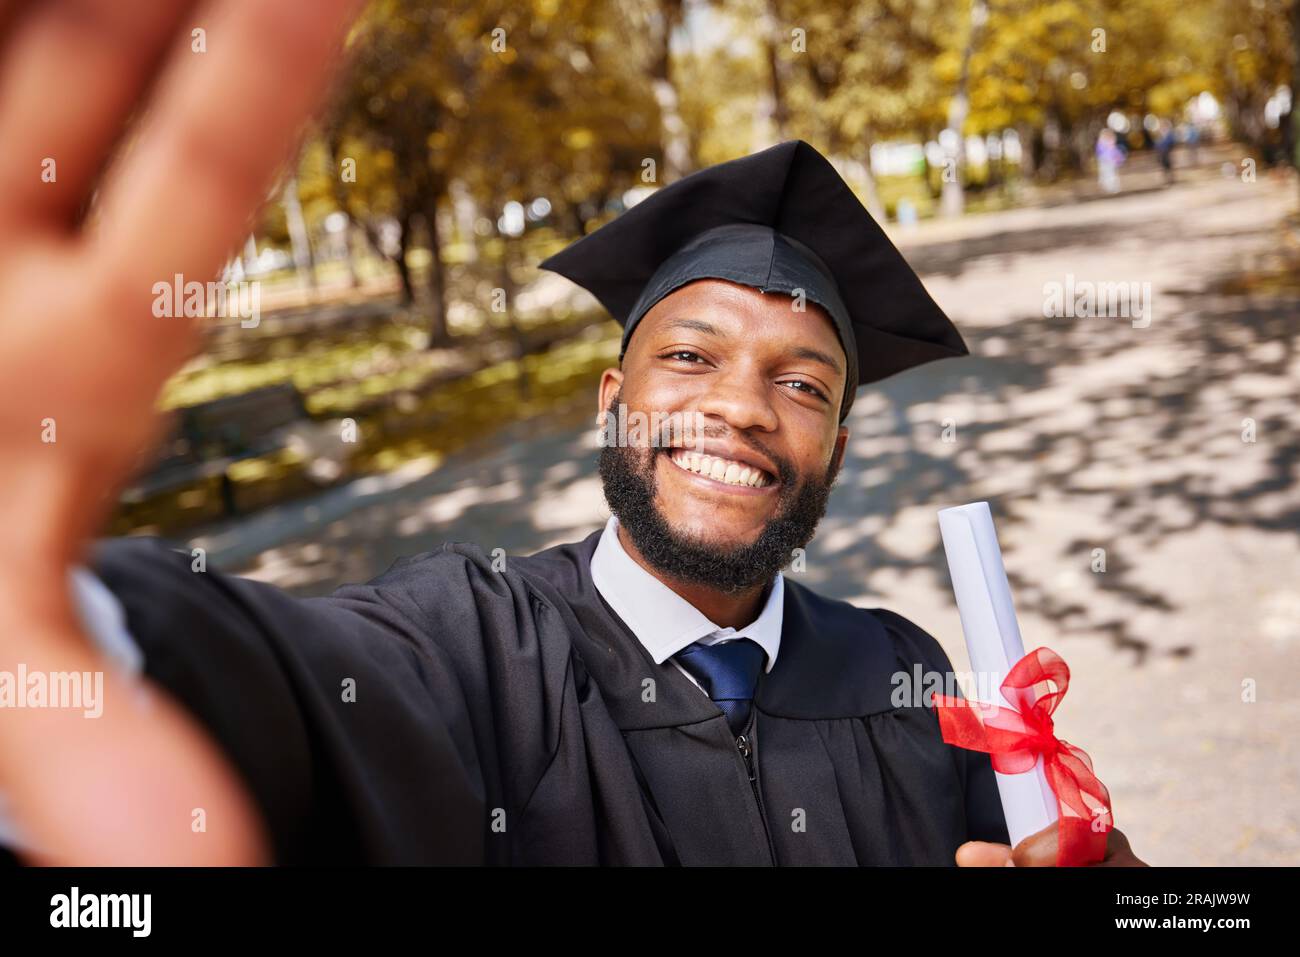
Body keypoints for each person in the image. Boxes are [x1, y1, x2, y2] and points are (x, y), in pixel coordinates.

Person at [0, 1, 1145, 867]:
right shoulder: (465, 644)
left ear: (835, 451)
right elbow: (257, 681)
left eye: (801, 385)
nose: (742, 407)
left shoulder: (905, 675)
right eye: (689, 357)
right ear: (612, 403)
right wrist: (43, 616)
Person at [1095, 129, 1124, 194]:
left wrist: (1119, 159)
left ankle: (1113, 188)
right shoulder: (1101, 143)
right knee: (1108, 174)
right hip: (1105, 161)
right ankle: (1109, 187)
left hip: (1110, 161)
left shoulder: (1109, 143)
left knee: (1111, 174)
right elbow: (1099, 152)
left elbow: (1115, 152)